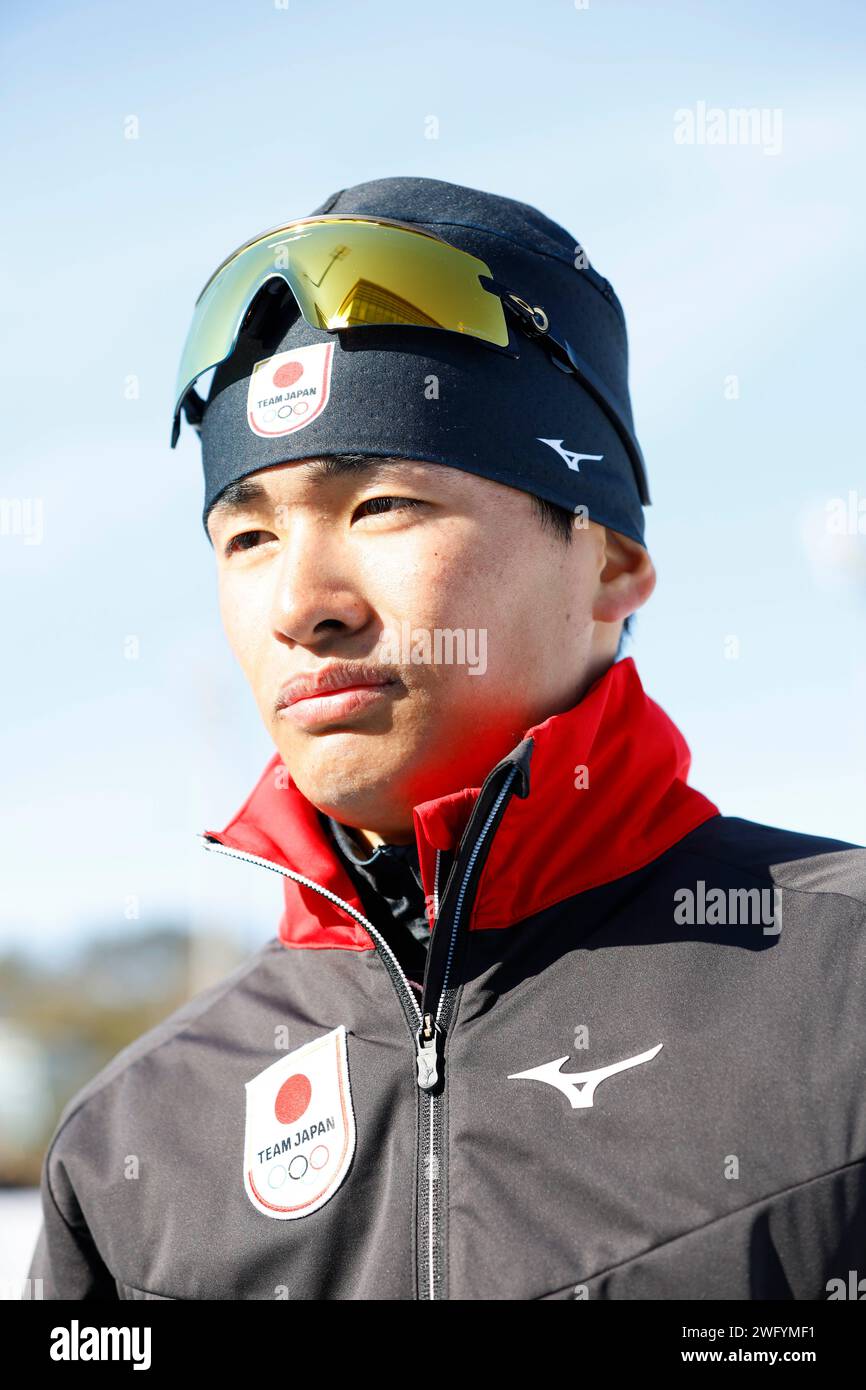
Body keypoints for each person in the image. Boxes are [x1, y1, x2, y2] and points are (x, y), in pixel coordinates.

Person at [26, 176, 866, 1301]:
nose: (299, 601)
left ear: (609, 560)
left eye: (382, 506)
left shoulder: (842, 992)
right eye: (246, 536)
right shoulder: (132, 1145)